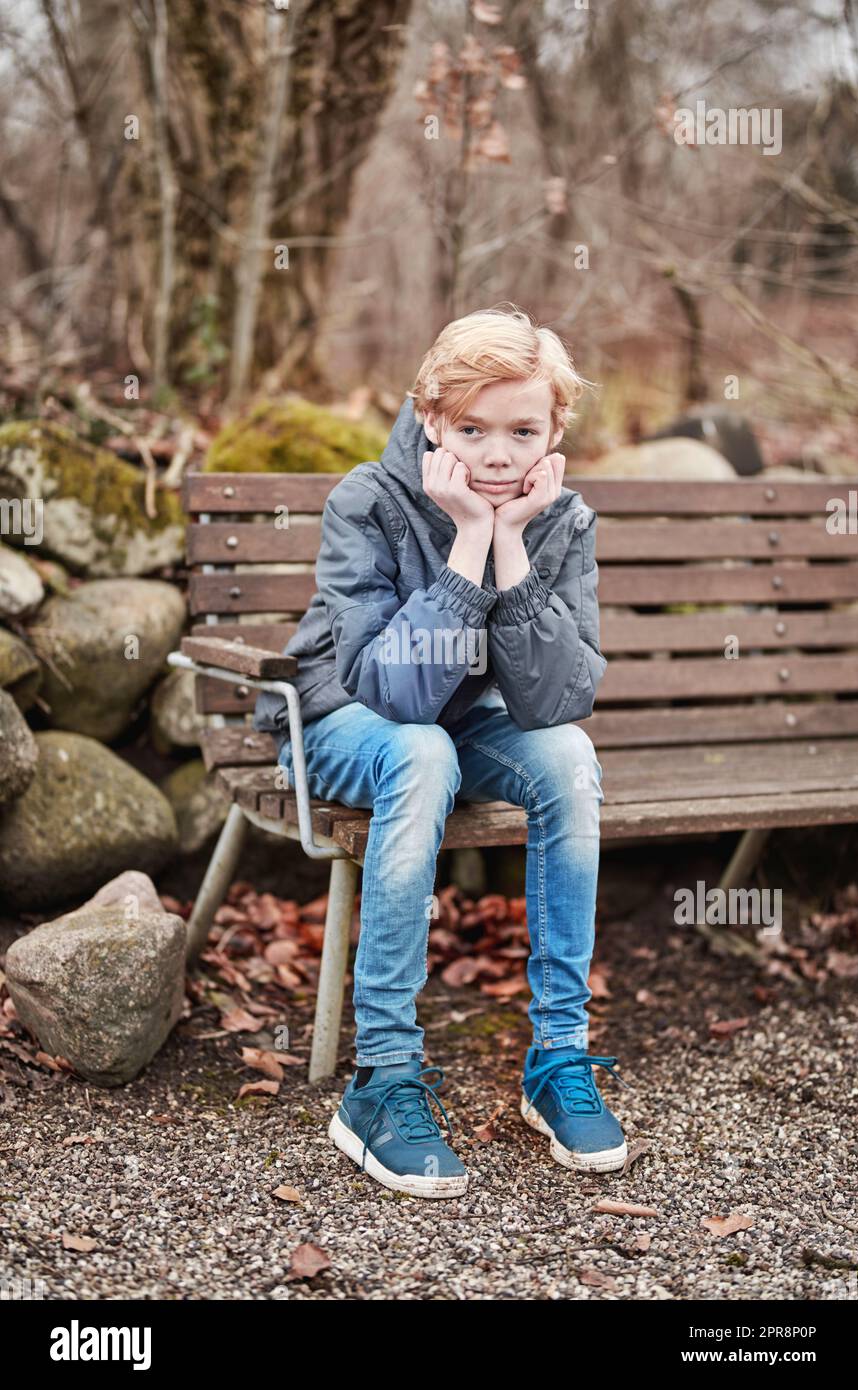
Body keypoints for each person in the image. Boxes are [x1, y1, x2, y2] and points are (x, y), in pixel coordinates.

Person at [253, 305, 630, 1198]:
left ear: (555, 431)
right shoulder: (367, 502)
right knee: (420, 750)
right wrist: (467, 544)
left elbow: (557, 700)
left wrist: (513, 551)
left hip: (460, 723)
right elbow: (396, 694)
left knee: (570, 759)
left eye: (523, 430)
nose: (499, 455)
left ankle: (559, 1060)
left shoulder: (562, 520)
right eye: (472, 429)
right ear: (431, 419)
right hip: (346, 720)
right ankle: (382, 1080)